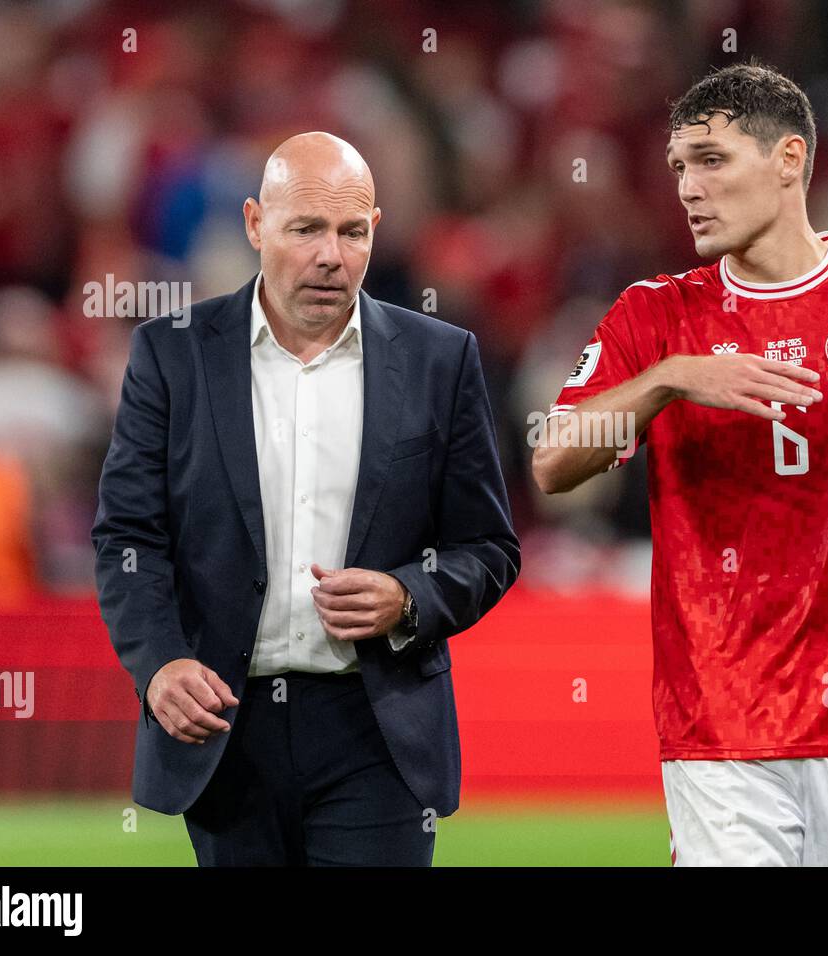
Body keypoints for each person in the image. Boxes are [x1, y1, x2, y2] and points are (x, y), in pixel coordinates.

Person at [532, 62, 828, 866]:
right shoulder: (656, 315)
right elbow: (552, 462)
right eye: (679, 167)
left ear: (789, 160)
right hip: (720, 725)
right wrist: (670, 378)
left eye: (712, 160)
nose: (688, 186)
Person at [92, 132, 519, 866]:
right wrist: (160, 663)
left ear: (374, 231)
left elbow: (489, 547)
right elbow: (129, 537)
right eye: (307, 229)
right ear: (256, 225)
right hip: (227, 729)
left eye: (352, 231)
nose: (332, 254)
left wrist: (408, 596)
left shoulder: (439, 361)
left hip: (375, 731)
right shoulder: (174, 354)